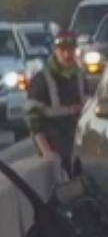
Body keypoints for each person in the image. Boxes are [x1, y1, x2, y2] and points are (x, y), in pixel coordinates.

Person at [27, 33, 86, 178]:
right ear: (56, 51)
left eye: (70, 50)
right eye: (62, 50)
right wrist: (45, 150)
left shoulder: (79, 76)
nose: (67, 54)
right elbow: (32, 118)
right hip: (54, 143)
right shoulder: (42, 79)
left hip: (76, 141)